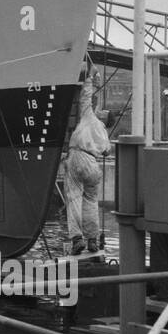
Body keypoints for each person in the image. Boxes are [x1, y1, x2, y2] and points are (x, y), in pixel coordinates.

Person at [65, 70, 111, 255]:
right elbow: (107, 151)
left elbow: (86, 97)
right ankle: (92, 239)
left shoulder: (89, 117)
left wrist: (90, 79)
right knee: (91, 201)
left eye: (103, 112)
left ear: (104, 117)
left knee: (74, 197)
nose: (100, 110)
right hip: (93, 164)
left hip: (78, 156)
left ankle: (77, 239)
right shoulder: (104, 133)